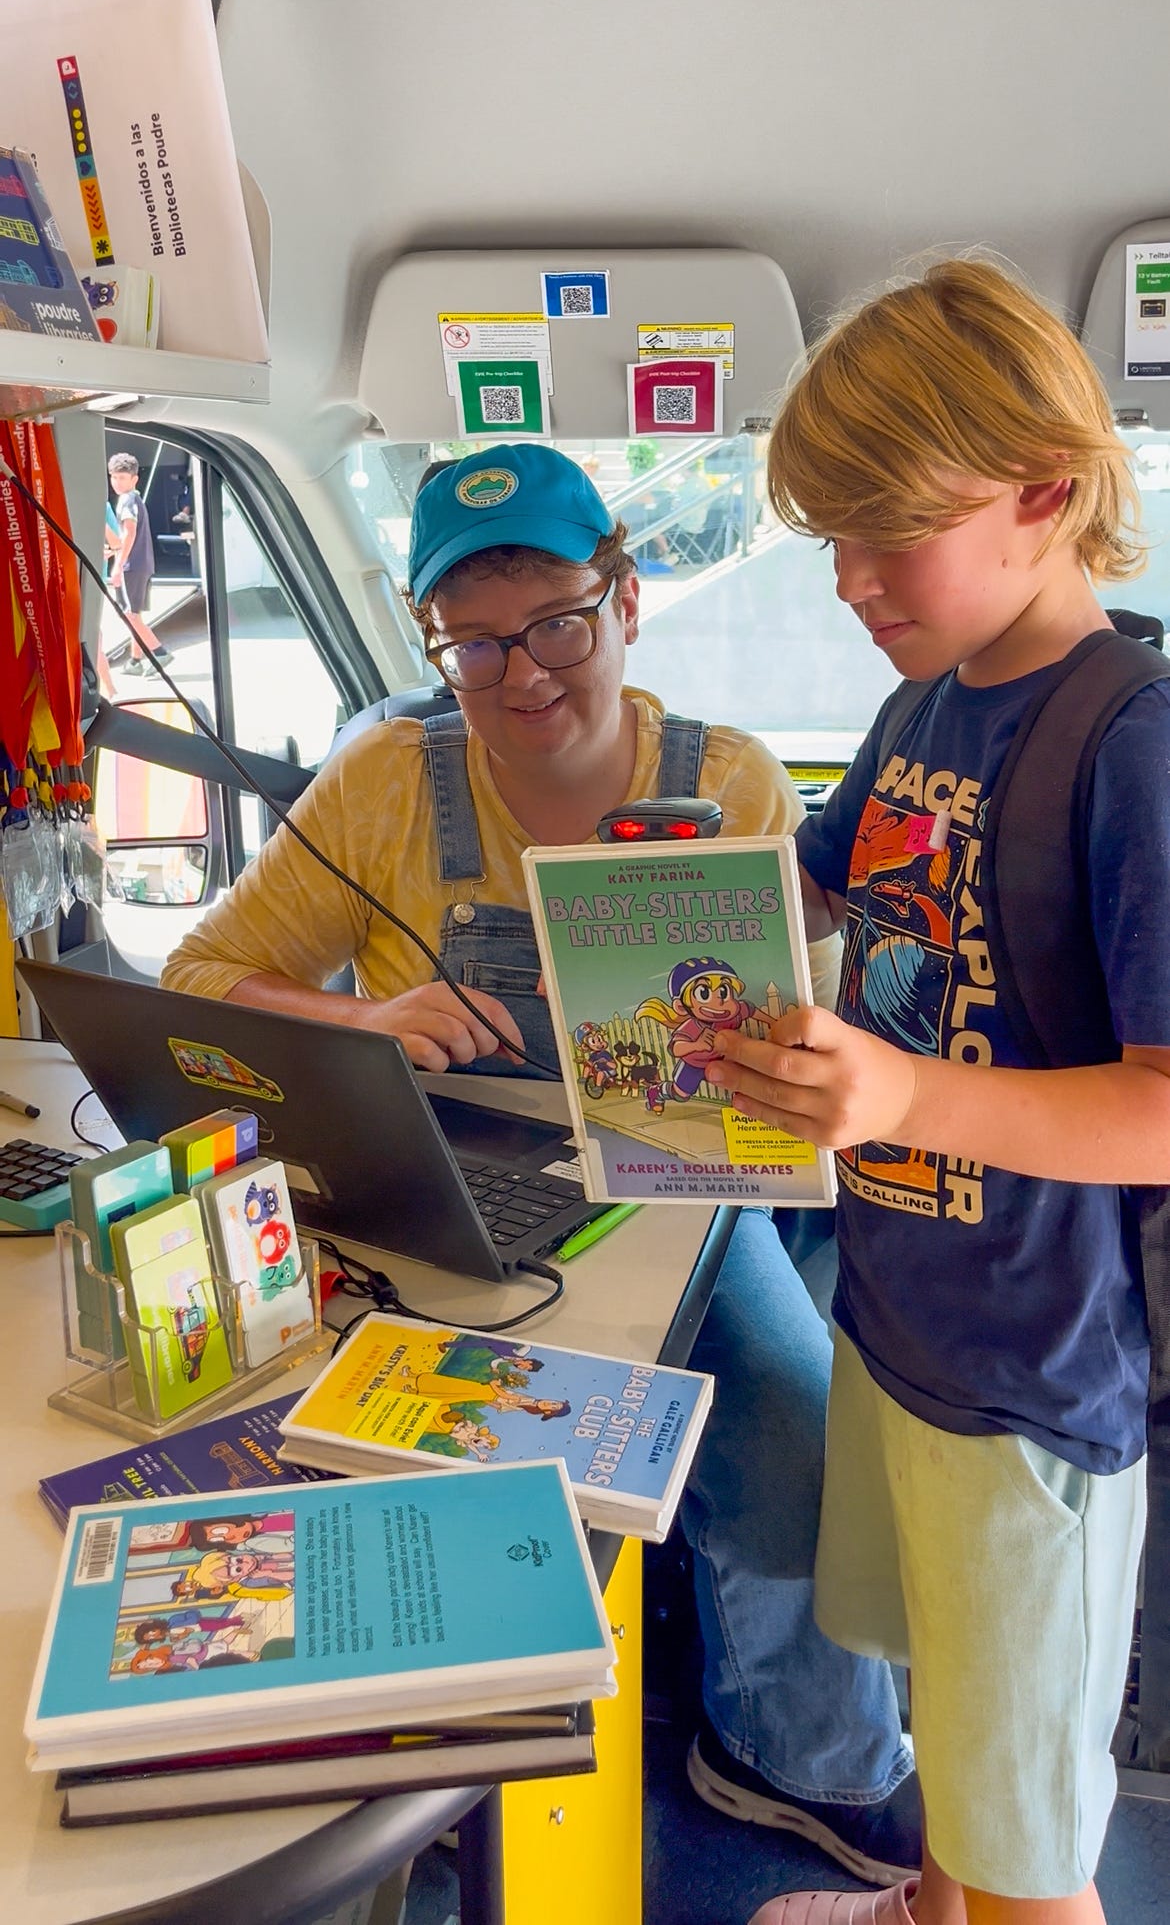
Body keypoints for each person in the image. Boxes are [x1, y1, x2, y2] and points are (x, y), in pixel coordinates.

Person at [162, 443, 919, 1883]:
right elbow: (205, 974)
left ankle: (790, 1753)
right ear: (433, 641)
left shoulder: (733, 780)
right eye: (475, 642)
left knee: (805, 1456)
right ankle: (428, 1759)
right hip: (429, 1191)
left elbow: (792, 1063)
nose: (523, 674)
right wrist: (361, 1016)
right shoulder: (383, 777)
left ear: (623, 597)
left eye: (559, 623)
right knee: (322, 1440)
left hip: (685, 1195)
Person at [706, 262, 1164, 1925]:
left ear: (1046, 491)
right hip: (904, 1323)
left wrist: (897, 1093)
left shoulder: (1133, 741)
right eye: (829, 536)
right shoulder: (923, 703)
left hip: (1033, 1378)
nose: (848, 580)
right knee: (958, 1735)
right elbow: (826, 890)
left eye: (886, 529)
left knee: (1038, 1841)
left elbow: (1162, 1104)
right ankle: (924, 1903)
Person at [107, 451, 172, 673]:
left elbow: (130, 533)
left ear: (134, 479)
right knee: (135, 613)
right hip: (142, 564)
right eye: (114, 477)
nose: (117, 482)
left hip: (130, 566)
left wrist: (118, 564)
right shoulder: (136, 498)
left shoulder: (127, 500)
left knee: (129, 614)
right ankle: (135, 661)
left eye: (122, 477)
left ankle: (160, 653)